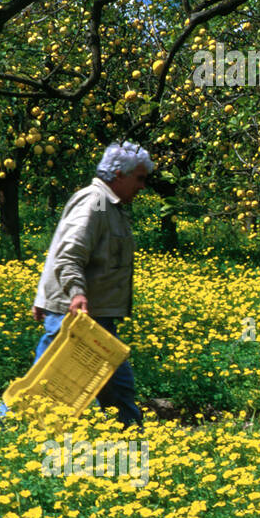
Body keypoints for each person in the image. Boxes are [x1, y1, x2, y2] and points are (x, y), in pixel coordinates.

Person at [28, 140, 151, 427]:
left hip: (94, 319)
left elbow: (62, 249)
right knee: (43, 388)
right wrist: (76, 294)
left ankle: (134, 442)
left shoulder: (111, 205)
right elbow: (69, 253)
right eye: (140, 178)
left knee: (118, 390)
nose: (143, 186)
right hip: (74, 316)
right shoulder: (94, 202)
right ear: (119, 174)